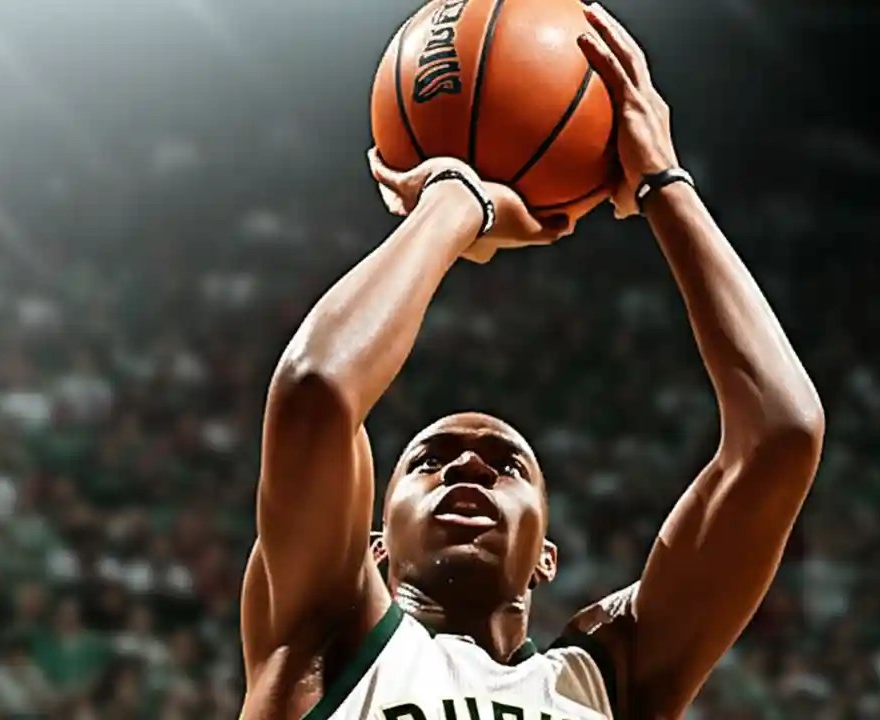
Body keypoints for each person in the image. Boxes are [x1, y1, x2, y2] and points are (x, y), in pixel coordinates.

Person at [239, 5, 824, 719]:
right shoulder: (325, 636)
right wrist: (458, 198)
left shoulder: (609, 682)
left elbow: (784, 434)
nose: (468, 467)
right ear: (375, 545)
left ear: (547, 555)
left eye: (507, 464)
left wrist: (664, 184)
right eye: (430, 458)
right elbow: (316, 390)